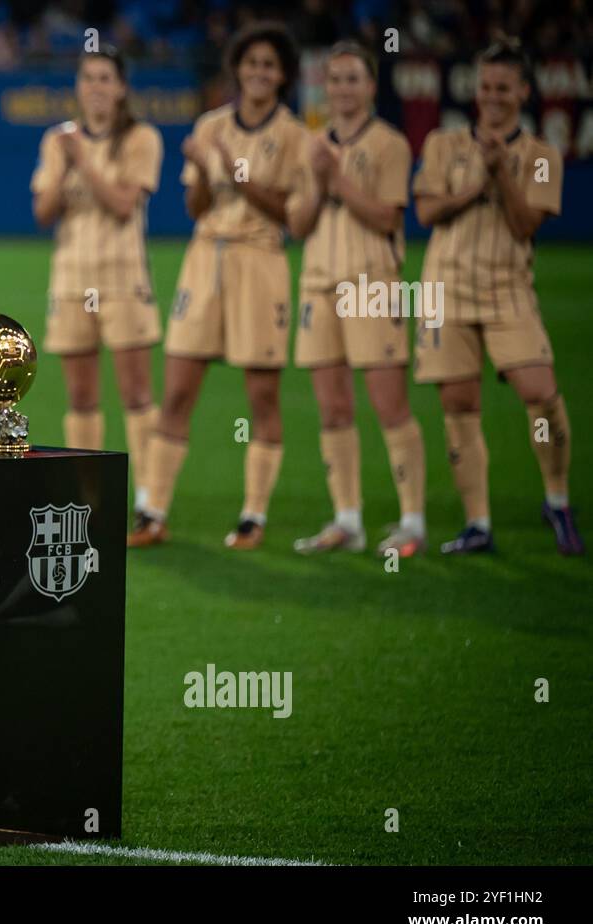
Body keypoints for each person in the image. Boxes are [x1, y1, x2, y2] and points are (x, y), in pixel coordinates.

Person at [130, 22, 310, 550]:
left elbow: (292, 217)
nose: (259, 72)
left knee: (262, 395)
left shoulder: (295, 136)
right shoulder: (210, 126)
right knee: (179, 388)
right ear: (237, 69)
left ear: (283, 76)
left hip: (260, 260)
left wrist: (239, 175)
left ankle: (253, 516)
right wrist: (205, 174)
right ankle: (152, 511)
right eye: (251, 63)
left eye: (269, 65)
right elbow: (195, 208)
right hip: (205, 258)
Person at [413, 39, 580, 555]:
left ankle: (556, 500)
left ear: (523, 91)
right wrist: (473, 185)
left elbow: (527, 224)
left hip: (508, 288)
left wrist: (502, 171)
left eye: (503, 88)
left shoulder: (543, 157)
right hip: (447, 287)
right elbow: (426, 213)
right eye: (485, 86)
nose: (492, 96)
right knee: (459, 405)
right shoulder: (441, 144)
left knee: (540, 391)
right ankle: (477, 523)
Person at [288, 41, 426, 558]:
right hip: (318, 284)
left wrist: (337, 178)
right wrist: (321, 182)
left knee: (390, 406)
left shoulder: (390, 144)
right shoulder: (311, 146)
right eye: (335, 78)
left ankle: (413, 522)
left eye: (352, 79)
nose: (342, 88)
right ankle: (348, 520)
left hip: (371, 285)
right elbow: (298, 224)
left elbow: (389, 217)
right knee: (333, 407)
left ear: (370, 86)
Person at [32, 46, 163, 523]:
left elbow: (124, 204)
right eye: (88, 78)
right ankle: (86, 497)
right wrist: (67, 164)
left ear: (122, 87)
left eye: (106, 78)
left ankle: (150, 497)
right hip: (70, 281)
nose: (96, 87)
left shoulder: (141, 138)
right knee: (81, 397)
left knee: (136, 395)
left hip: (124, 280)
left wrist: (82, 161)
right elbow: (43, 212)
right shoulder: (57, 141)